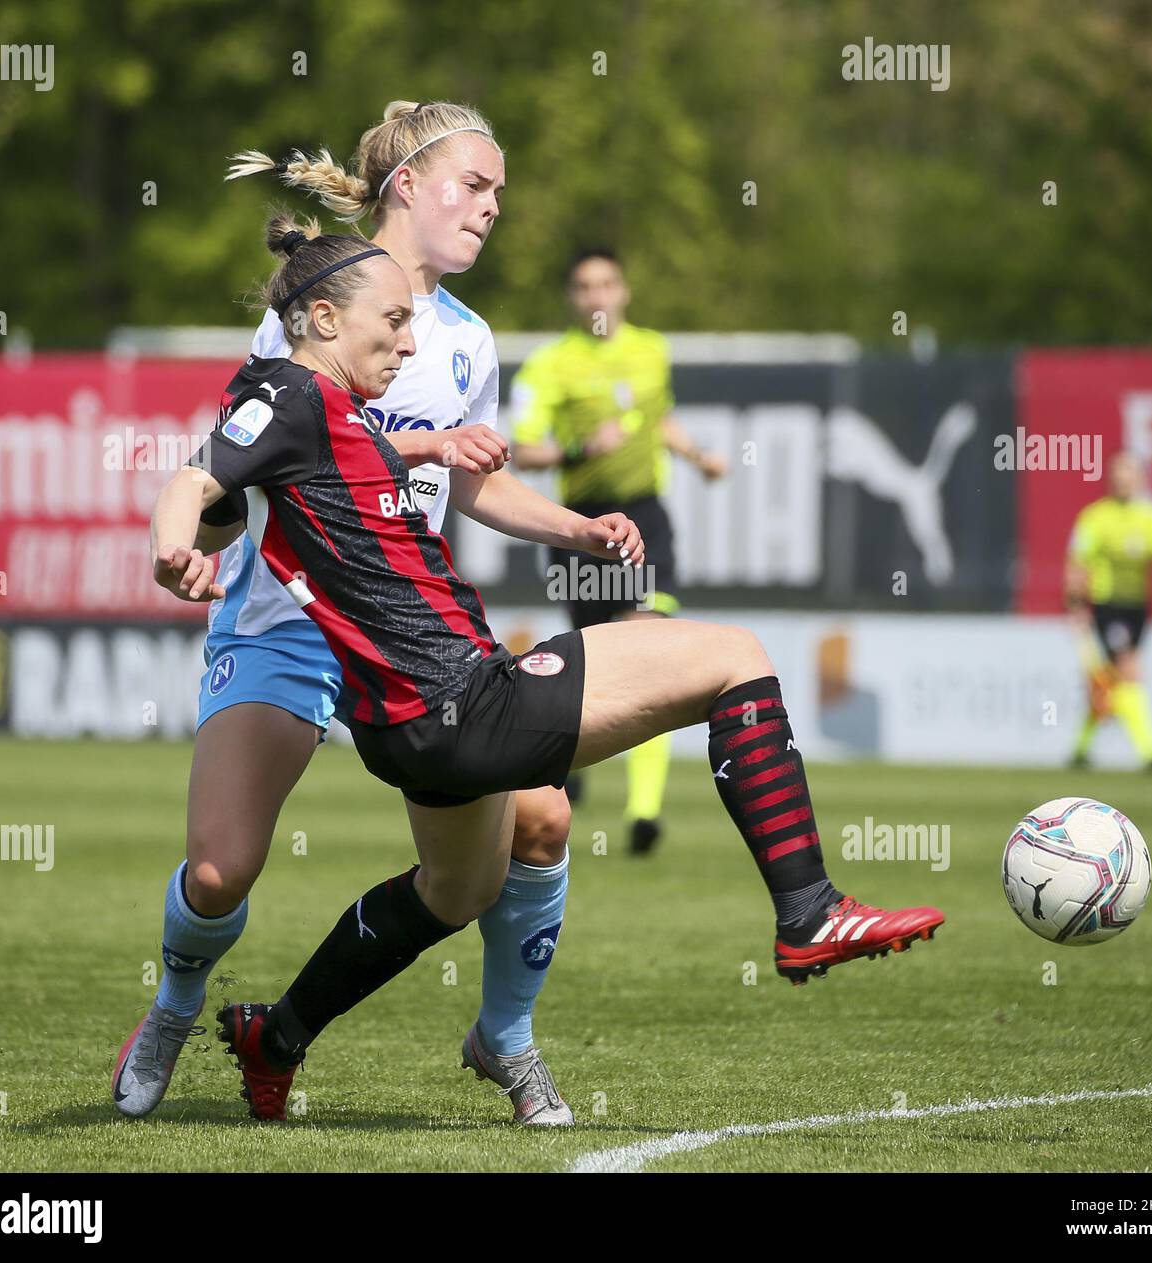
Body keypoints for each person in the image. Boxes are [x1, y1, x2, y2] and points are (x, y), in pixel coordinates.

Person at [152, 217, 945, 1122]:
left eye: (414, 324)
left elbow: (338, 468)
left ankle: (277, 1036)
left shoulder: (337, 413)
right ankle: (809, 910)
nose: (409, 342)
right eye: (393, 322)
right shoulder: (287, 394)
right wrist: (172, 550)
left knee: (457, 890)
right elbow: (193, 478)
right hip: (458, 699)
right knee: (737, 657)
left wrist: (566, 521)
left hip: (405, 725)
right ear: (324, 319)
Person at [115, 101, 576, 1128]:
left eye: (501, 192)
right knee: (218, 870)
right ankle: (176, 1006)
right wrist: (190, 545)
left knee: (542, 817)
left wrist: (577, 529)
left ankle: (504, 1037)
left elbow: (476, 487)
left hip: (408, 643)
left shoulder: (469, 339)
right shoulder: (317, 299)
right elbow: (268, 460)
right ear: (407, 184)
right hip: (287, 621)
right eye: (476, 184)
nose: (494, 207)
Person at [512, 247, 726, 854]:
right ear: (572, 298)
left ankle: (644, 812)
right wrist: (581, 447)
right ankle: (568, 765)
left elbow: (657, 419)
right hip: (579, 528)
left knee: (650, 645)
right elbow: (524, 452)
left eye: (607, 283)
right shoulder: (550, 366)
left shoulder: (652, 350)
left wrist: (697, 457)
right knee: (590, 663)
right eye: (584, 287)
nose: (597, 296)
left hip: (645, 519)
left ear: (624, 290)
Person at [1064, 451, 1152, 769]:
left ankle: (1079, 750)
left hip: (1138, 609)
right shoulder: (1095, 517)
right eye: (1118, 472)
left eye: (1129, 472)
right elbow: (1077, 563)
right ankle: (1150, 752)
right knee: (1130, 670)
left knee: (1111, 683)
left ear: (1140, 479)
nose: (1122, 478)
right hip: (1107, 606)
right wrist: (1075, 604)